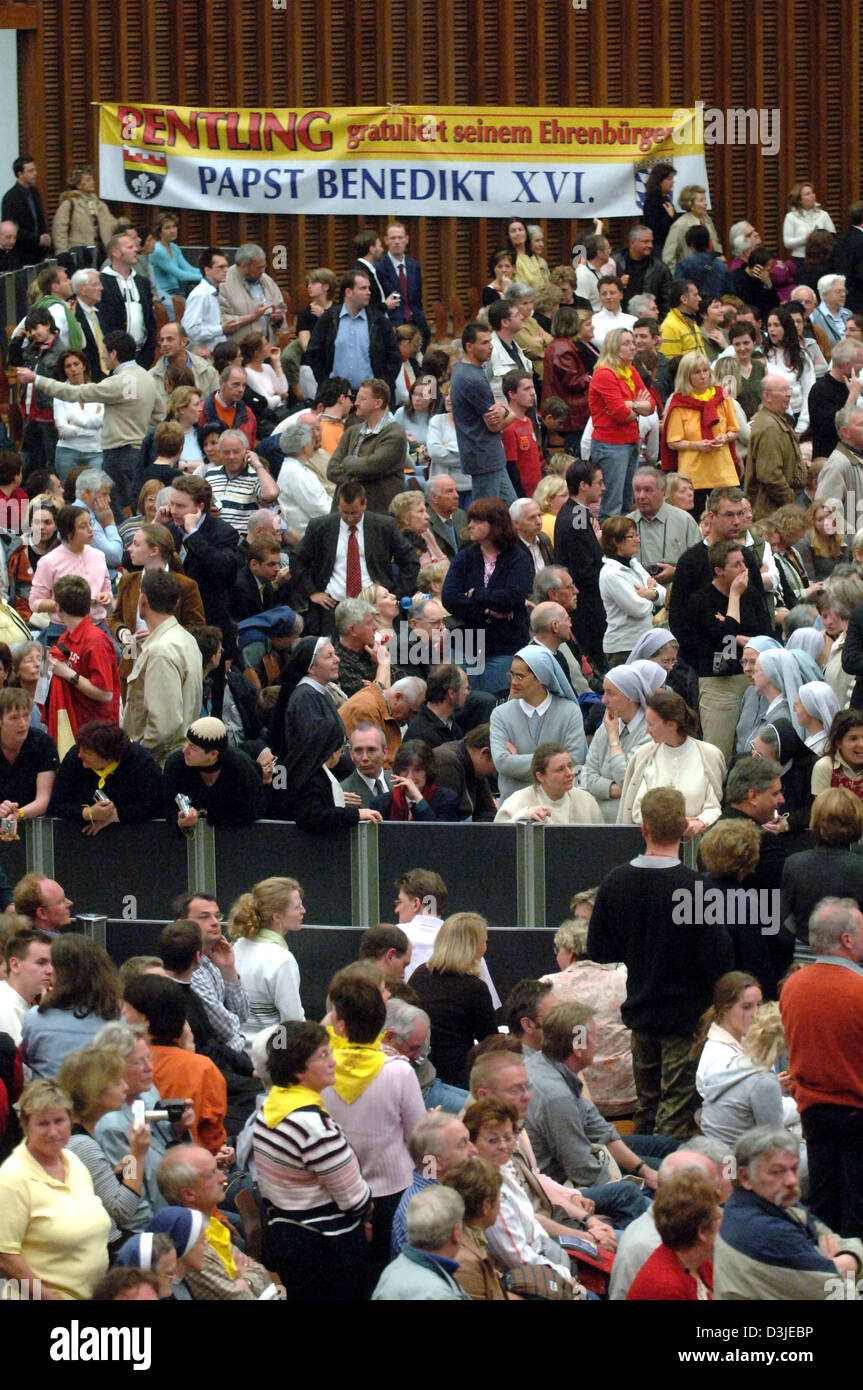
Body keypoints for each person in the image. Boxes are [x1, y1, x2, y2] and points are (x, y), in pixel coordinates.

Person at [590, 787, 734, 1137]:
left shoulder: (616, 881)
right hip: (685, 1019)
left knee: (647, 1107)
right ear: (685, 827)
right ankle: (664, 1182)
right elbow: (720, 959)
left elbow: (598, 949)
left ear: (643, 828)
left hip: (641, 1013)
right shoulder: (698, 888)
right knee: (677, 1114)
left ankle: (641, 1175)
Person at [252, 1019, 371, 1299]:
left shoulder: (270, 1107)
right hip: (326, 1249)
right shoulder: (312, 1125)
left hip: (288, 1238)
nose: (333, 1061)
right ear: (297, 1070)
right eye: (322, 1056)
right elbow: (354, 1200)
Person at [524, 1001, 672, 1226]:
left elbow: (601, 1129)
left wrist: (646, 1171)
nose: (598, 1042)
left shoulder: (545, 1064)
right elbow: (582, 1168)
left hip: (585, 1157)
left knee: (668, 1150)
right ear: (578, 1046)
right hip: (560, 1184)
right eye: (594, 1036)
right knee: (636, 1190)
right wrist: (629, 1179)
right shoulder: (557, 1096)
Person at [779, 897, 863, 1234]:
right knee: (858, 1205)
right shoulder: (858, 990)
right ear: (847, 939)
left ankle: (825, 1273)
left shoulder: (792, 988)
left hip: (813, 1111)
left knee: (825, 1201)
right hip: (857, 1113)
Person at [713, 1126, 863, 1300]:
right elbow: (841, 1292)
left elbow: (835, 1240)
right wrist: (838, 1262)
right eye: (777, 1172)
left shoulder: (767, 1202)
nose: (791, 1181)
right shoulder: (765, 1233)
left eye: (794, 1168)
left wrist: (844, 1260)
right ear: (745, 1177)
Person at [0, 1078, 112, 1299]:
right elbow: (5, 1257)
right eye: (43, 1124)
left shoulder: (74, 1161)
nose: (53, 1132)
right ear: (25, 1125)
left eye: (59, 1121)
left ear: (70, 1121)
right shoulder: (11, 1178)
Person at [462, 1098, 578, 1290]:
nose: (503, 1146)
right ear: (473, 1142)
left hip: (546, 1247)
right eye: (492, 1140)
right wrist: (566, 1276)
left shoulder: (500, 1165)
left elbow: (530, 1221)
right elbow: (519, 1259)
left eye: (508, 1137)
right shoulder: (488, 1190)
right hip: (534, 1273)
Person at [291, 480, 419, 637]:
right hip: (333, 607)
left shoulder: (384, 526)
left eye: (355, 513)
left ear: (364, 504)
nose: (350, 518)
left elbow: (410, 561)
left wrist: (395, 594)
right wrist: (312, 592)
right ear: (338, 505)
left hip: (373, 606)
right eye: (345, 513)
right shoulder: (321, 527)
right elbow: (297, 559)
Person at [539, 920, 635, 1118]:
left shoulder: (547, 986)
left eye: (558, 950)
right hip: (627, 1099)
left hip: (570, 1097)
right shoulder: (626, 981)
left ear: (569, 951)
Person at [122, 974, 227, 1155]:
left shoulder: (119, 1065)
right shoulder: (203, 1068)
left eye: (126, 1009)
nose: (122, 1015)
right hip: (187, 1170)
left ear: (145, 1020)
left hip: (146, 1167)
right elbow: (213, 1140)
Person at [155, 1144, 273, 1299]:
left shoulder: (211, 1224)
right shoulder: (192, 1247)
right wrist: (249, 1280)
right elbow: (242, 1297)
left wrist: (245, 1279)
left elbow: (260, 1270)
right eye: (212, 1174)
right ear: (189, 1194)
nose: (223, 1178)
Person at [58, 1044, 152, 1240]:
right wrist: (137, 1157)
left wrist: (119, 1175)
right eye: (117, 1083)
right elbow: (122, 1211)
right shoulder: (82, 1145)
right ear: (94, 1091)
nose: (125, 1087)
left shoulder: (77, 1136)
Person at [440, 496, 532, 694]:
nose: (470, 525)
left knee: (496, 704)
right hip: (465, 644)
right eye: (470, 520)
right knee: (461, 704)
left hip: (503, 646)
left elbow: (513, 597)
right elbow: (449, 596)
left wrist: (476, 593)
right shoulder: (466, 555)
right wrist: (488, 611)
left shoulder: (519, 558)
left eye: (477, 521)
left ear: (495, 525)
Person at [409, 913, 498, 1090]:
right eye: (484, 942)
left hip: (418, 1073)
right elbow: (490, 1042)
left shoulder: (419, 975)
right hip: (456, 1078)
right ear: (473, 946)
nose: (485, 947)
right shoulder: (475, 988)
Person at [617, 688, 725, 831]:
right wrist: (672, 825)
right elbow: (636, 811)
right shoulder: (642, 756)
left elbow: (714, 806)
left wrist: (700, 822)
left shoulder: (710, 755)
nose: (646, 731)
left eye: (651, 724)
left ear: (672, 725)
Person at [489, 644, 586, 801]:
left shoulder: (569, 711)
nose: (513, 682)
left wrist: (518, 761)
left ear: (541, 678)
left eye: (519, 676)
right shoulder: (500, 714)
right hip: (514, 806)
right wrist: (556, 764)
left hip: (558, 805)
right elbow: (502, 762)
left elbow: (575, 759)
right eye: (511, 675)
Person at [20, 933, 121, 1080]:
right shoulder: (120, 1018)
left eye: (52, 965)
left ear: (61, 973)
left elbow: (26, 1058)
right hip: (102, 1100)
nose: (49, 971)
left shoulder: (35, 1018)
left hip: (50, 1100)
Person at [228, 877, 305, 1053]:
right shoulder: (281, 959)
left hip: (235, 1054)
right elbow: (292, 1023)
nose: (303, 911)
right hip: (267, 1058)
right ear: (277, 917)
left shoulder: (236, 947)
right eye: (297, 907)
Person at [582, 661, 665, 822]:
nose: (604, 700)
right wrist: (615, 789)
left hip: (634, 822)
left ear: (631, 697)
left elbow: (625, 778)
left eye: (610, 693)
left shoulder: (650, 732)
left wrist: (614, 739)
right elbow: (586, 777)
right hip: (597, 820)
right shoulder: (605, 728)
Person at [48, 719, 165, 832]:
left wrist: (115, 815)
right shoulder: (74, 757)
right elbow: (56, 803)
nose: (80, 755)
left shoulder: (141, 762)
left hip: (133, 837)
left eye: (87, 753)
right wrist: (87, 813)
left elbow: (157, 805)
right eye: (80, 749)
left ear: (109, 756)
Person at [782, 788, 863, 946]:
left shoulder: (794, 864)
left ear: (815, 820)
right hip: (852, 955)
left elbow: (785, 921)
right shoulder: (859, 867)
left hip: (804, 955)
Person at [660, 353, 739, 513]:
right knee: (694, 520)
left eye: (705, 370)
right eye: (697, 372)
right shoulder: (679, 403)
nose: (703, 376)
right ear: (686, 376)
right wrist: (698, 445)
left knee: (730, 514)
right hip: (693, 475)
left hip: (722, 470)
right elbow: (673, 442)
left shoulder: (722, 397)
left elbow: (734, 430)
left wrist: (725, 438)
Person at [588, 328, 653, 520]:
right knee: (611, 507)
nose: (633, 347)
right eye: (626, 343)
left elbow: (652, 407)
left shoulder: (630, 371)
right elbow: (619, 413)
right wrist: (637, 406)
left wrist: (630, 405)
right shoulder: (605, 374)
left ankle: (622, 546)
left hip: (629, 443)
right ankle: (608, 547)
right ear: (613, 347)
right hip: (610, 446)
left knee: (626, 503)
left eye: (633, 342)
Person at [626, 1169, 720, 1300]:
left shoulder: (697, 1260)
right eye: (717, 1217)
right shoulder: (665, 1288)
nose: (722, 1223)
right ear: (702, 1231)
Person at [449, 323, 516, 504]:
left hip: (488, 456)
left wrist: (501, 407)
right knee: (487, 517)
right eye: (485, 343)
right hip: (483, 456)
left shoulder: (470, 371)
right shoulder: (472, 378)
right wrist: (510, 413)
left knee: (512, 511)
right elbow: (494, 425)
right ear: (469, 347)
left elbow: (494, 400)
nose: (491, 346)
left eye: (491, 341)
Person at [164, 716, 265, 828]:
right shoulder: (176, 765)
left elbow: (252, 811)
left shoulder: (242, 768)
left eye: (193, 748)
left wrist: (205, 814)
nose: (184, 751)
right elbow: (167, 807)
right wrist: (180, 823)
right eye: (186, 743)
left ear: (213, 754)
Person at [599, 515, 665, 666]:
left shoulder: (635, 565)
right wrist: (653, 598)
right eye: (632, 536)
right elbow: (638, 609)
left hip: (644, 641)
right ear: (616, 541)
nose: (638, 540)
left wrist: (651, 594)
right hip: (623, 647)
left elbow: (664, 594)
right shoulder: (611, 573)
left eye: (637, 535)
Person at [495, 742, 602, 825]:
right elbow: (499, 840)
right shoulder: (516, 802)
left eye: (570, 766)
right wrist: (522, 817)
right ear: (540, 776)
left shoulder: (587, 801)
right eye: (560, 769)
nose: (570, 773)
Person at [0, 687, 57, 828]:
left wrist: (18, 813)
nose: (23, 724)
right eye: (14, 717)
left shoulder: (43, 743)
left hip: (34, 821)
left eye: (26, 715)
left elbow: (44, 799)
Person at [370, 739, 461, 822]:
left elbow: (438, 835)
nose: (410, 777)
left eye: (417, 770)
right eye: (404, 770)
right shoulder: (381, 803)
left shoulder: (446, 799)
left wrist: (418, 798)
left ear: (428, 771)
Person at [0, 927, 53, 1052]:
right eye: (41, 963)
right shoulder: (4, 1005)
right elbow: (23, 1067)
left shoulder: (26, 1002)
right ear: (15, 965)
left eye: (52, 963)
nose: (50, 970)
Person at [811, 708, 863, 799]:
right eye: (853, 738)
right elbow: (822, 811)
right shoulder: (825, 767)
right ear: (838, 742)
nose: (861, 744)